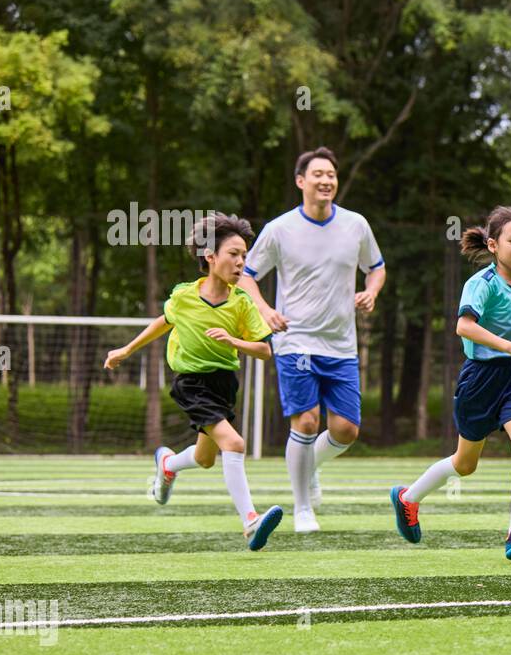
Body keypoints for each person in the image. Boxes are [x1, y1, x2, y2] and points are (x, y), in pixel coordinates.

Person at [389, 206, 511, 561]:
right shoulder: (482, 284)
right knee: (465, 464)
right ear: (493, 245)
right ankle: (407, 498)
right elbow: (465, 327)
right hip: (480, 381)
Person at [104, 212, 283, 551]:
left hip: (224, 384)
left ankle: (168, 464)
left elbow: (264, 351)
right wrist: (126, 350)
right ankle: (250, 522)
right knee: (234, 444)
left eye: (244, 255)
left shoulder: (242, 303)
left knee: (205, 459)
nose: (241, 262)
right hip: (192, 383)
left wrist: (234, 342)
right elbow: (162, 322)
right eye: (234, 253)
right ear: (210, 256)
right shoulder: (185, 296)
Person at [237, 146, 385, 533]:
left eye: (331, 175)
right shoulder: (280, 229)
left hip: (341, 345)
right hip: (295, 342)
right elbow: (246, 275)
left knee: (346, 430)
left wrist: (371, 292)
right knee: (306, 421)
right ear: (301, 181)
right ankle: (303, 508)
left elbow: (377, 269)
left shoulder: (356, 225)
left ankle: (309, 468)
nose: (326, 180)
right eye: (318, 174)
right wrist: (265, 310)